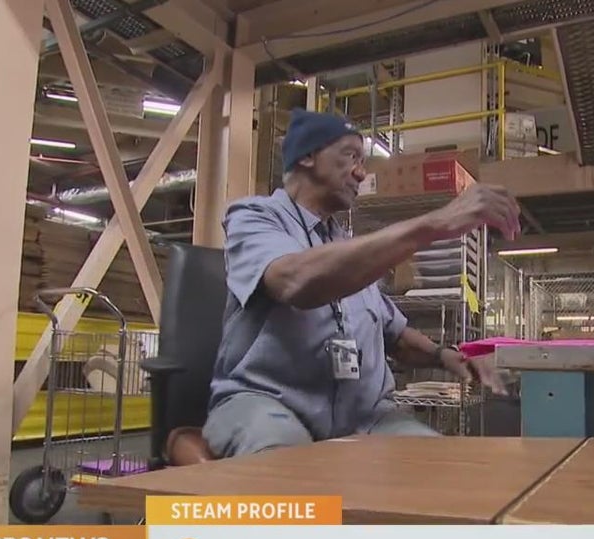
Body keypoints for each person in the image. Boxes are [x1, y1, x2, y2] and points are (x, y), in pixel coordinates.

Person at [167, 109, 523, 463]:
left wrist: (446, 356)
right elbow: (295, 281)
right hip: (267, 404)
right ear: (308, 156)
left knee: (442, 466)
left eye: (363, 161)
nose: (361, 173)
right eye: (351, 156)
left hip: (365, 418)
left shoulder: (346, 248)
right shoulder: (255, 217)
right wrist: (434, 224)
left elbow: (395, 334)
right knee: (289, 471)